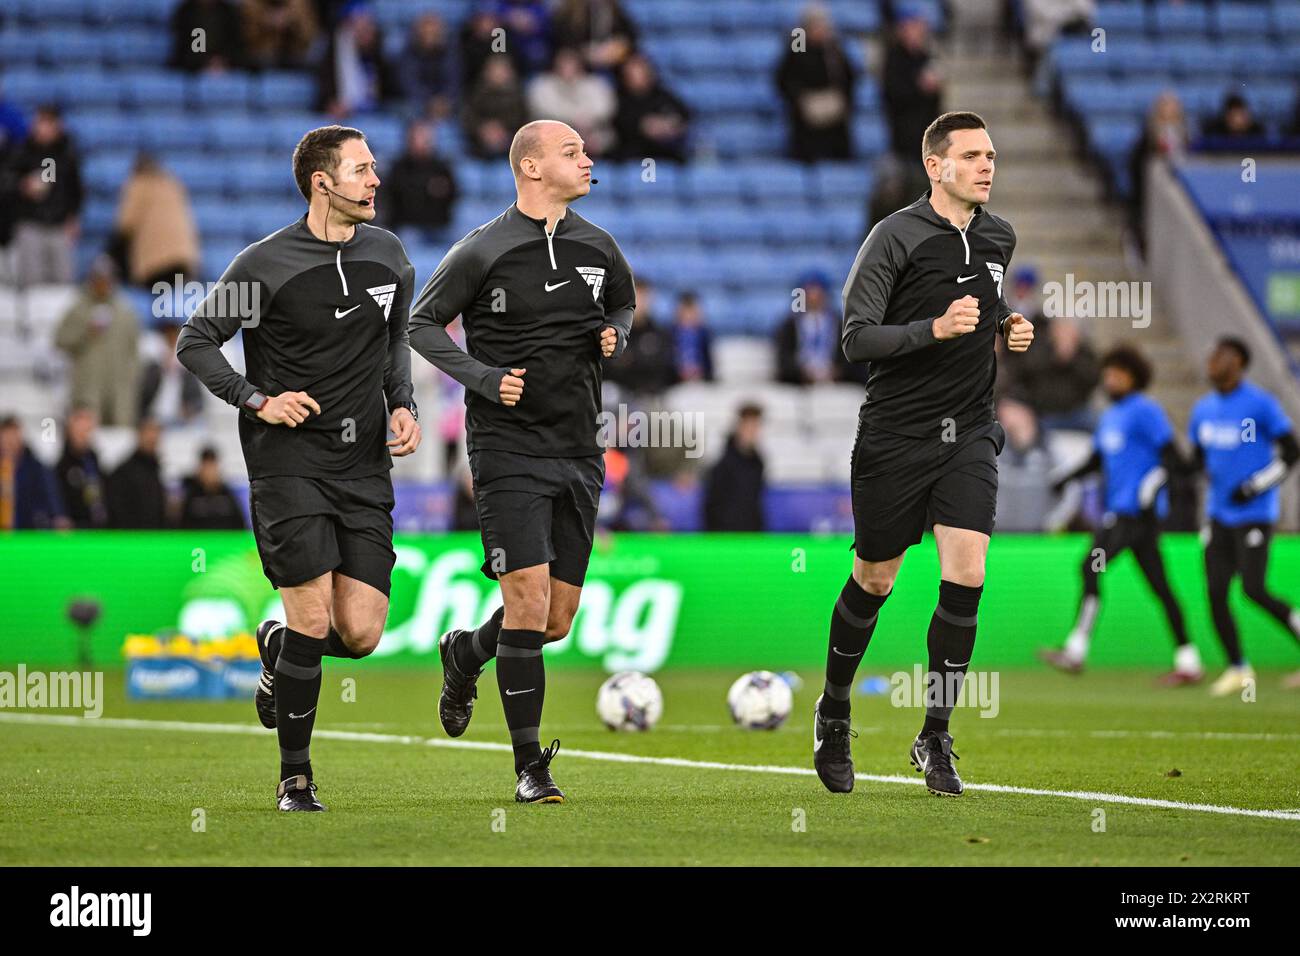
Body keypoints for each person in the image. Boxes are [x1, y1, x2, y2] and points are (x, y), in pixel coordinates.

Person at [176, 125, 421, 812]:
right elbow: (195, 342)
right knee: (314, 619)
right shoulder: (265, 265)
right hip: (288, 466)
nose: (375, 181)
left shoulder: (389, 256)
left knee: (363, 633)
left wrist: (401, 404)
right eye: (363, 170)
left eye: (375, 170)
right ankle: (295, 778)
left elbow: (393, 337)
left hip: (364, 465)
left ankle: (275, 646)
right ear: (323, 182)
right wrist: (257, 398)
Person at [408, 120, 634, 803]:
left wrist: (615, 331)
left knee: (555, 620)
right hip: (507, 451)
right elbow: (420, 323)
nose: (588, 159)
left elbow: (624, 301)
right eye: (573, 152)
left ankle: (465, 653)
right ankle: (530, 767)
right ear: (532, 168)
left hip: (579, 449)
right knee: (527, 601)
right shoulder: (483, 249)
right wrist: (480, 378)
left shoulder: (598, 245)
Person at [815, 111, 1034, 798]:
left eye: (991, 154)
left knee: (967, 570)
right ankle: (834, 710)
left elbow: (983, 305)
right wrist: (932, 330)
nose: (987, 166)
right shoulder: (894, 236)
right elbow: (854, 339)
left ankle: (935, 732)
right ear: (936, 166)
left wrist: (1009, 324)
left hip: (968, 432)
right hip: (895, 434)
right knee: (875, 579)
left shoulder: (1000, 235)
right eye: (971, 155)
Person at [1039, 346, 1201, 683]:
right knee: (1161, 587)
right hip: (1124, 517)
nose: (1111, 379)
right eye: (1109, 373)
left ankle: (1076, 649)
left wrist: (1151, 486)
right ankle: (1189, 660)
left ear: (1135, 377)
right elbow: (1096, 461)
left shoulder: (1146, 411)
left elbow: (1174, 460)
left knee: (1090, 565)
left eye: (1119, 374)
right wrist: (1066, 478)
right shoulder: (1109, 417)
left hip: (1131, 516)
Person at [1187, 338, 1300, 696]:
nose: (1212, 361)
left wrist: (1255, 485)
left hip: (1254, 514)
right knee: (1217, 592)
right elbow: (1197, 460)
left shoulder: (1260, 404)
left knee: (1253, 588)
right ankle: (1238, 668)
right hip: (1218, 515)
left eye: (1220, 355)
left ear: (1238, 361)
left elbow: (1291, 453)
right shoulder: (1203, 409)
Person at [54, 257, 142, 428]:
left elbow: (134, 351)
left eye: (107, 279)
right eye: (99, 279)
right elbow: (60, 340)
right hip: (88, 388)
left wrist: (129, 379)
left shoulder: (125, 312)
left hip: (118, 390)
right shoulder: (78, 308)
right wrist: (86, 333)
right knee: (86, 437)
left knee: (120, 436)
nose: (103, 284)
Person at [9, 105, 83, 285]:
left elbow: (76, 190)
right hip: (30, 223)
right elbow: (6, 182)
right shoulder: (22, 151)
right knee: (31, 281)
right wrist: (23, 186)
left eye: (48, 123)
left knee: (63, 280)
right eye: (40, 122)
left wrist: (73, 216)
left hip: (58, 226)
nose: (42, 128)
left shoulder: (67, 153)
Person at [775, 6, 855, 161]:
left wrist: (841, 99)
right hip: (806, 114)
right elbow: (785, 77)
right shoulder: (798, 46)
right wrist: (800, 99)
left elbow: (849, 76)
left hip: (832, 111)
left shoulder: (833, 48)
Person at [111, 153, 201, 289]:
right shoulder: (172, 183)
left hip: (155, 263)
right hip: (184, 258)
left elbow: (125, 225)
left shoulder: (138, 184)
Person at [527, 47, 618, 157]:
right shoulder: (542, 85)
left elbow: (606, 107)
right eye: (563, 65)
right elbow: (543, 109)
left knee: (606, 138)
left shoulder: (596, 84)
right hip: (555, 134)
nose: (568, 69)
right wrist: (574, 120)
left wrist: (587, 120)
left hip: (593, 131)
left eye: (571, 65)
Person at [882, 10, 940, 164]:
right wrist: (918, 86)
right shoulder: (894, 58)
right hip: (903, 128)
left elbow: (935, 97)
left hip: (926, 128)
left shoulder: (925, 57)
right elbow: (892, 92)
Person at [384, 121, 458, 243]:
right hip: (408, 225)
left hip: (440, 225)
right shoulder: (399, 167)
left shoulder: (442, 166)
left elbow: (452, 193)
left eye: (427, 138)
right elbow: (398, 196)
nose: (424, 142)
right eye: (419, 137)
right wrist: (427, 187)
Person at [613, 54, 689, 162]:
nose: (638, 77)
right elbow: (621, 123)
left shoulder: (663, 95)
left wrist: (669, 125)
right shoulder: (620, 99)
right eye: (632, 74)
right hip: (633, 156)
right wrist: (644, 126)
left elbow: (684, 116)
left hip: (667, 154)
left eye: (641, 72)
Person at [703, 403, 765, 531]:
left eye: (756, 426)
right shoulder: (723, 463)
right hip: (726, 535)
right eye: (749, 426)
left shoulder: (758, 462)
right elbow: (713, 504)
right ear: (739, 426)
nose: (752, 431)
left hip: (751, 533)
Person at [0, 416, 66, 530]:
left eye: (14, 435)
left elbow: (50, 499)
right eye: (6, 436)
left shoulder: (37, 469)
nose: (10, 442)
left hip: (28, 532)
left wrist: (57, 517)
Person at [106, 419, 167, 529]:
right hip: (131, 540)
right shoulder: (123, 473)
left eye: (156, 433)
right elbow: (117, 513)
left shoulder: (155, 470)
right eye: (148, 432)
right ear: (139, 435)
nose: (152, 438)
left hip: (154, 539)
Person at [463, 55, 528, 159]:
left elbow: (523, 121)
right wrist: (483, 130)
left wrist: (504, 132)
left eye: (502, 70)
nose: (498, 74)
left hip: (510, 149)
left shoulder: (518, 96)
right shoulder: (476, 94)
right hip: (477, 148)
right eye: (494, 70)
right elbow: (468, 118)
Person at [55, 406, 108, 529]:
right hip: (76, 532)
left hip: (99, 529)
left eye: (87, 430)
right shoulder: (62, 467)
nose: (84, 435)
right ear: (70, 431)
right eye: (80, 431)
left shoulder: (94, 461)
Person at [179, 446, 246, 529]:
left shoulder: (227, 496)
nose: (210, 472)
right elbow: (183, 526)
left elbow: (240, 525)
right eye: (206, 467)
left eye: (212, 466)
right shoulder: (192, 497)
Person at [241, 0, 319, 70]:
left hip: (298, 68)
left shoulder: (300, 5)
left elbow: (308, 36)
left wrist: (291, 18)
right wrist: (266, 20)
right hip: (258, 67)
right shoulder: (251, 6)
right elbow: (248, 36)